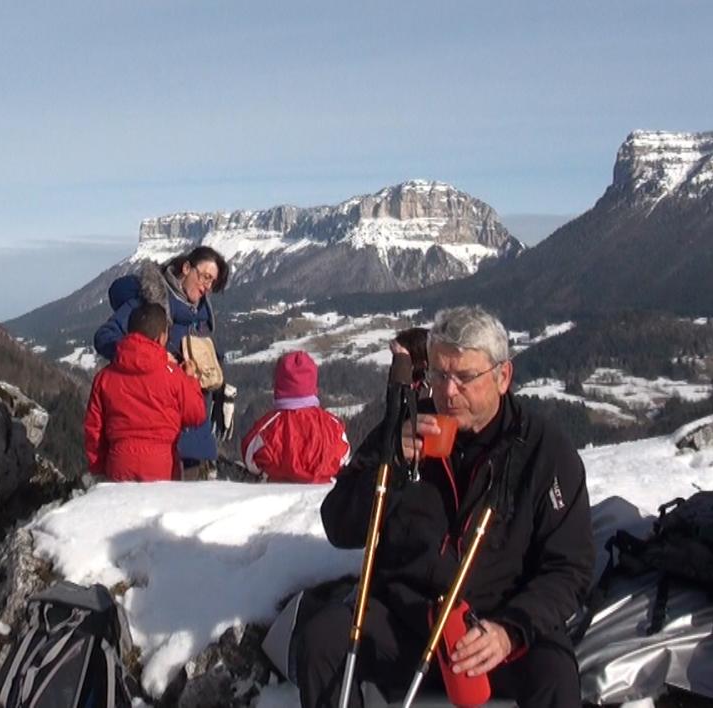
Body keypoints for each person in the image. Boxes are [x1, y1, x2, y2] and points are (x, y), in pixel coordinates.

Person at [295, 305, 594, 708]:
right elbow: (340, 527)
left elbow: (568, 567)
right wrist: (390, 469)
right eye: (439, 375)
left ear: (503, 376)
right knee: (323, 640)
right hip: (406, 620)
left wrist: (510, 630)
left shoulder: (543, 451)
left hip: (497, 625)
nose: (448, 392)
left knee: (554, 676)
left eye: (465, 377)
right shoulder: (403, 432)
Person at [94, 246, 229, 476]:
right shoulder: (149, 304)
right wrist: (153, 356)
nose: (207, 287)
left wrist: (218, 386)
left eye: (212, 283)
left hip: (197, 438)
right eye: (205, 277)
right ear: (186, 268)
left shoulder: (201, 318)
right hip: (158, 440)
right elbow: (104, 337)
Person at [84, 303, 207, 482]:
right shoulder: (173, 375)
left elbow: (94, 431)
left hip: (119, 464)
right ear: (161, 338)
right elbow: (196, 414)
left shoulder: (104, 378)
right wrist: (191, 380)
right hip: (162, 466)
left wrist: (99, 469)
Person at [240, 351, 350, 484]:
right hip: (324, 493)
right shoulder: (332, 425)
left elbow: (250, 458)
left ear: (279, 383)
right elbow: (343, 455)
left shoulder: (269, 426)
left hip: (274, 492)